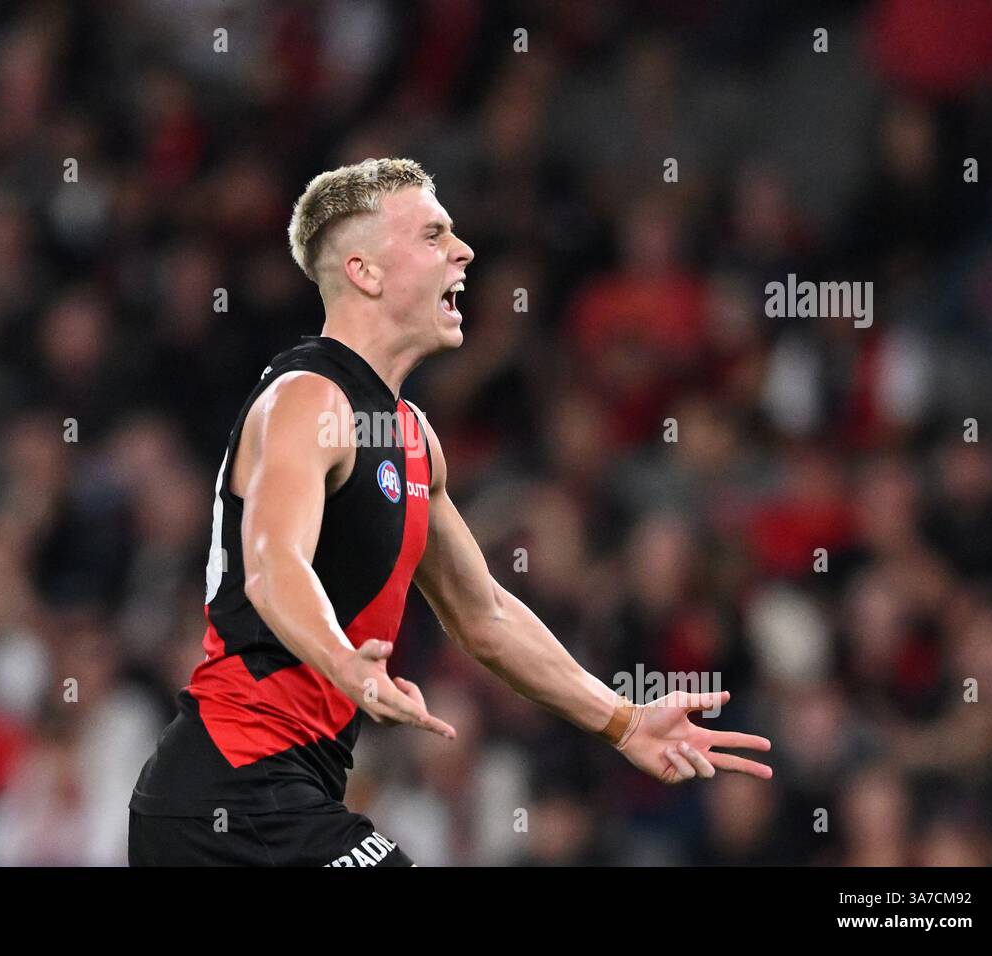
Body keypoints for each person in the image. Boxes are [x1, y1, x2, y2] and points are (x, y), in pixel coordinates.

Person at [128, 158, 772, 867]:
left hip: (279, 797)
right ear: (365, 272)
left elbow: (484, 615)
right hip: (226, 795)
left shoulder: (411, 438)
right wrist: (347, 664)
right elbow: (272, 565)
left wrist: (621, 722)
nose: (463, 252)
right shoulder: (307, 400)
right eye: (434, 235)